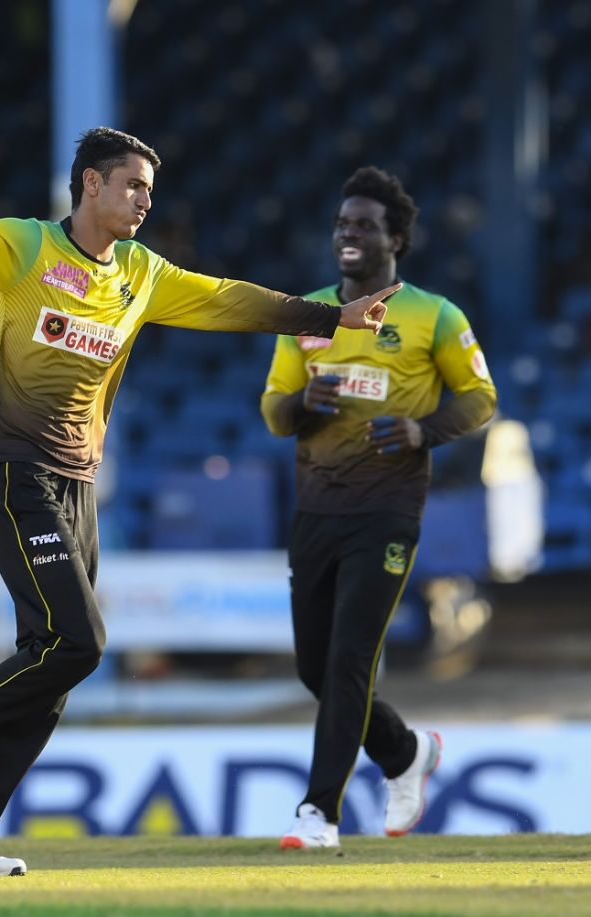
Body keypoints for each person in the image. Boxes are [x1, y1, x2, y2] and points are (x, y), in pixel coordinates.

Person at [0, 128, 400, 876]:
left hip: (77, 483)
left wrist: (329, 317)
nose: (144, 201)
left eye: (150, 191)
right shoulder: (25, 247)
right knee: (79, 645)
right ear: (91, 184)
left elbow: (226, 299)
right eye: (133, 185)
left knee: (53, 664)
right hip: (16, 473)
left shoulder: (141, 272)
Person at [261, 166, 497, 850]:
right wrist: (304, 404)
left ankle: (319, 813)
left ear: (396, 239)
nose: (349, 234)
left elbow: (479, 397)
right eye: (342, 224)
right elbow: (273, 411)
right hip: (316, 508)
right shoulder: (305, 314)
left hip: (388, 509)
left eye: (364, 225)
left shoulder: (435, 315)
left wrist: (424, 430)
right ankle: (405, 753)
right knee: (315, 668)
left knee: (349, 660)